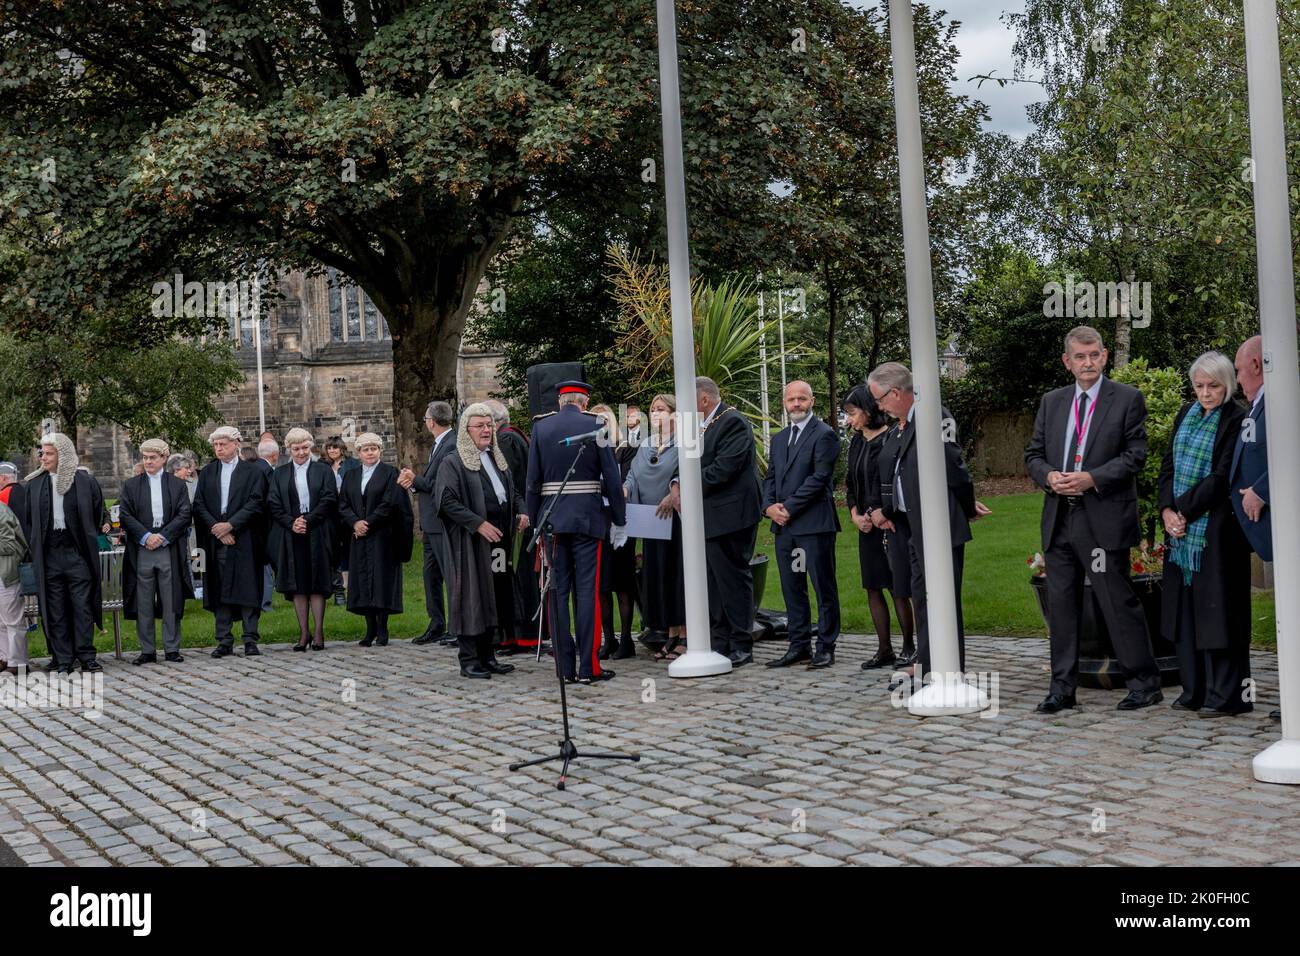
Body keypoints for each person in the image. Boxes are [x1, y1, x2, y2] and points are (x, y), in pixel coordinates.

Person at [1025, 325, 1162, 713]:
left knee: (1116, 600)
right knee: (1062, 604)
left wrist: (1091, 479)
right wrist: (1049, 476)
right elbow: (1033, 454)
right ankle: (1062, 690)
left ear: (1103, 356)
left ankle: (1144, 683)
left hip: (1102, 517)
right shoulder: (1052, 402)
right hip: (1059, 518)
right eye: (1080, 357)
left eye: (1094, 355)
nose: (1088, 363)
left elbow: (1136, 455)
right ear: (1067, 362)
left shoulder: (1127, 399)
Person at [868, 364, 982, 688]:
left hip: (940, 525)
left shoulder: (934, 414)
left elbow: (955, 466)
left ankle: (948, 669)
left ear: (896, 393)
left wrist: (966, 505)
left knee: (943, 596)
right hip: (912, 526)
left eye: (880, 399)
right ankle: (927, 663)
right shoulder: (901, 426)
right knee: (921, 596)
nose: (879, 406)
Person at [1158, 352, 1252, 717]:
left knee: (1218, 613)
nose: (1206, 393)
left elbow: (1222, 476)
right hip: (1181, 534)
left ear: (1227, 385)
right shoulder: (1185, 414)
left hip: (1216, 530)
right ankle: (1192, 690)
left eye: (1213, 386)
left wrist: (1181, 511)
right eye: (1199, 386)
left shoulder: (1237, 419)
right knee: (1184, 613)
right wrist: (1167, 510)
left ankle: (1226, 696)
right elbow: (1168, 465)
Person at [526, 380, 628, 685]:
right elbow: (610, 475)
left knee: (557, 593)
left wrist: (535, 519)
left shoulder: (541, 429)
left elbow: (532, 481)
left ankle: (565, 668)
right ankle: (589, 668)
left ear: (561, 402)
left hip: (552, 520)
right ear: (584, 402)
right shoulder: (596, 424)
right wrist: (619, 518)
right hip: (587, 519)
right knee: (587, 593)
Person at [666, 376, 762, 667]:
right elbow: (684, 462)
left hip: (732, 515)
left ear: (704, 399)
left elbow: (723, 468)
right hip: (709, 516)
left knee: (732, 579)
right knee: (712, 582)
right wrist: (676, 482)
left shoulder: (732, 422)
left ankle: (742, 642)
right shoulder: (700, 426)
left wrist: (688, 488)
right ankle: (719, 640)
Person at [436, 404, 529, 678]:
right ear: (467, 430)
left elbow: (512, 492)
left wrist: (522, 511)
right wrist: (477, 524)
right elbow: (446, 501)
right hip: (470, 545)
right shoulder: (453, 462)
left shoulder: (497, 459)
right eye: (480, 426)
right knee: (471, 596)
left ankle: (489, 655)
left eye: (489, 425)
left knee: (496, 596)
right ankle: (469, 659)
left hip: (499, 542)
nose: (487, 430)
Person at [763, 381, 841, 669]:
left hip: (813, 525)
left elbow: (820, 478)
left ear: (812, 400)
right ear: (784, 402)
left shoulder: (825, 435)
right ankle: (798, 646)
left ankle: (825, 646)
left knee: (823, 587)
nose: (796, 404)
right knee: (792, 588)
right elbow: (770, 477)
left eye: (801, 399)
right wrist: (769, 507)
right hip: (784, 528)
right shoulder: (780, 438)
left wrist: (788, 508)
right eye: (791, 399)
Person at [842, 385, 914, 669]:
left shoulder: (891, 439)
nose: (849, 420)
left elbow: (888, 483)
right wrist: (854, 514)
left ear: (868, 410)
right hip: (864, 525)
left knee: (898, 587)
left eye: (852, 413)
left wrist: (875, 513)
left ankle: (909, 645)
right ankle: (884, 648)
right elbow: (851, 482)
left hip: (888, 522)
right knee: (873, 587)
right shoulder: (857, 442)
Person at [24, 432, 106, 674]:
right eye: (42, 453)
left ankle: (86, 655)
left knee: (82, 606)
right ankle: (63, 658)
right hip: (49, 553)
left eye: (49, 453)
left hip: (76, 551)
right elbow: (30, 522)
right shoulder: (34, 484)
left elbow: (97, 511)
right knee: (55, 607)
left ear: (64, 455)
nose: (43, 457)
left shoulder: (84, 482)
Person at [193, 425, 269, 658]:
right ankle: (224, 639)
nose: (218, 449)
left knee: (247, 588)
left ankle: (250, 639)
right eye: (215, 445)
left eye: (223, 445)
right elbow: (199, 504)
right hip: (216, 539)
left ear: (236, 445)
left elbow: (256, 502)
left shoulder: (253, 472)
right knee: (220, 589)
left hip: (244, 537)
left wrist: (232, 524)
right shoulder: (207, 472)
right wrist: (218, 529)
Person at [1231, 335, 1277, 720]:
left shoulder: (1280, 398)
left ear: (1256, 366)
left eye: (1238, 370)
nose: (1238, 379)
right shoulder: (1257, 405)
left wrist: (1260, 492)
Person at [119, 438, 195, 666]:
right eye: (145, 457)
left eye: (153, 457)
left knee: (170, 597)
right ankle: (148, 649)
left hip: (168, 546)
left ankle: (172, 647)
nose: (148, 461)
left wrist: (162, 536)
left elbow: (184, 513)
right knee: (143, 600)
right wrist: (145, 536)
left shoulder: (177, 484)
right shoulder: (132, 485)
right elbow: (125, 514)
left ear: (163, 458)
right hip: (142, 547)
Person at [625, 394, 686, 661]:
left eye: (661, 409)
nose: (656, 414)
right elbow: (633, 474)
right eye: (653, 410)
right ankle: (670, 633)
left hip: (677, 522)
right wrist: (626, 488)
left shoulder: (685, 443)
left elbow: (687, 472)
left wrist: (673, 494)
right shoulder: (647, 444)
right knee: (659, 577)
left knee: (678, 576)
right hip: (651, 521)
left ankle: (686, 635)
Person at [268, 428, 338, 651]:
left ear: (311, 447)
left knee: (317, 580)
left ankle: (318, 631)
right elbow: (274, 503)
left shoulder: (322, 470)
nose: (301, 453)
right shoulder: (280, 473)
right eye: (296, 449)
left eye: (305, 448)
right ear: (289, 450)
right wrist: (292, 522)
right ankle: (303, 632)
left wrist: (308, 520)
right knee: (298, 583)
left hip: (317, 530)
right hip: (291, 533)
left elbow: (329, 498)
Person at [339, 433, 410, 646]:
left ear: (379, 450)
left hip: (382, 535)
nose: (370, 452)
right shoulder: (350, 475)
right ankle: (369, 629)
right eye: (365, 449)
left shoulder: (389, 473)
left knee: (381, 580)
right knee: (362, 581)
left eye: (374, 448)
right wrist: (354, 523)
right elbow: (343, 503)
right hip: (358, 536)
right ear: (359, 453)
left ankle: (383, 628)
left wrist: (367, 523)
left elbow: (390, 502)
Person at [398, 401, 457, 647]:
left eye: (425, 419)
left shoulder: (451, 444)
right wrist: (414, 483)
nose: (425, 422)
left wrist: (415, 479)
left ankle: (456, 627)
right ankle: (436, 623)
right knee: (430, 576)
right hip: (431, 523)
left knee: (449, 575)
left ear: (431, 421)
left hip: (443, 521)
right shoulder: (439, 444)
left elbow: (441, 485)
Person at [488, 399, 541, 653]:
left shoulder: (506, 441)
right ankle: (512, 635)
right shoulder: (512, 437)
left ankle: (523, 636)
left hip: (517, 520)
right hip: (518, 516)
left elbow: (507, 482)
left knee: (518, 579)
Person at [591, 403, 639, 661]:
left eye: (604, 420)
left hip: (621, 520)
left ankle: (626, 639)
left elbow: (623, 484)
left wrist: (599, 484)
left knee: (622, 582)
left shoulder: (627, 448)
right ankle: (607, 638)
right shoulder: (590, 450)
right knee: (601, 583)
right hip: (598, 520)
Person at [324, 436, 360, 605]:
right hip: (330, 512)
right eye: (329, 448)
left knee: (348, 545)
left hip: (347, 510)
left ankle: (349, 583)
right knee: (333, 547)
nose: (332, 451)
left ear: (341, 448)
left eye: (335, 447)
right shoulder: (323, 466)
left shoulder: (352, 464)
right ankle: (338, 584)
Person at [0, 495, 28, 675]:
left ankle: (18, 662)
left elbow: (9, 545)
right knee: (1, 621)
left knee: (12, 619)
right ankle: (4, 657)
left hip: (6, 573)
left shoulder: (1, 511)